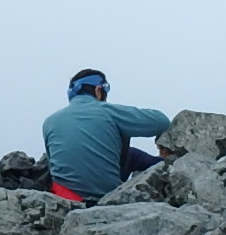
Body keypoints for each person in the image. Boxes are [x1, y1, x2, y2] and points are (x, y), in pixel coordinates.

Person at [41, 69, 172, 203]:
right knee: (131, 152)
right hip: (105, 197)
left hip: (65, 199)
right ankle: (170, 164)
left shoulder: (49, 122)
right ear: (98, 90)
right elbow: (161, 121)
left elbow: (52, 166)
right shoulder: (109, 112)